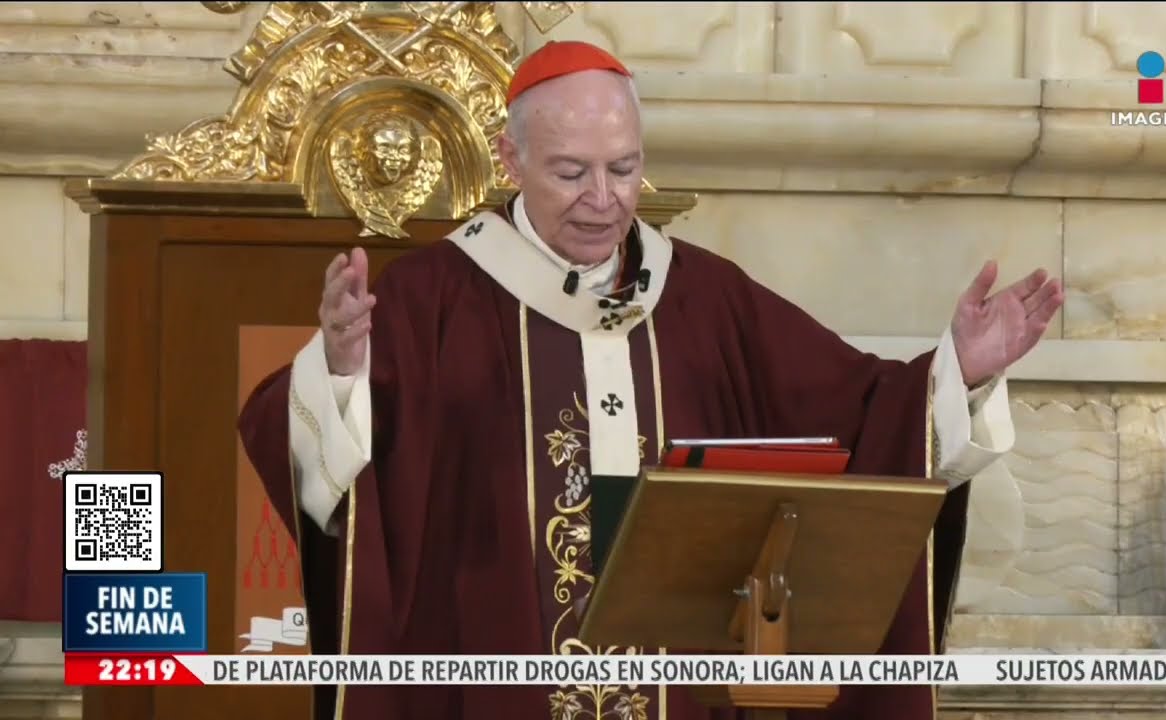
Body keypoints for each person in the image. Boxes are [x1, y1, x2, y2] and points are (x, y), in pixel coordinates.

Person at [238, 40, 1064, 720]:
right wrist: (343, 371)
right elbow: (319, 471)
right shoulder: (434, 299)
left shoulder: (707, 299)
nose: (603, 201)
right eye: (571, 173)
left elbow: (865, 417)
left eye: (624, 169)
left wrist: (960, 372)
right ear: (510, 158)